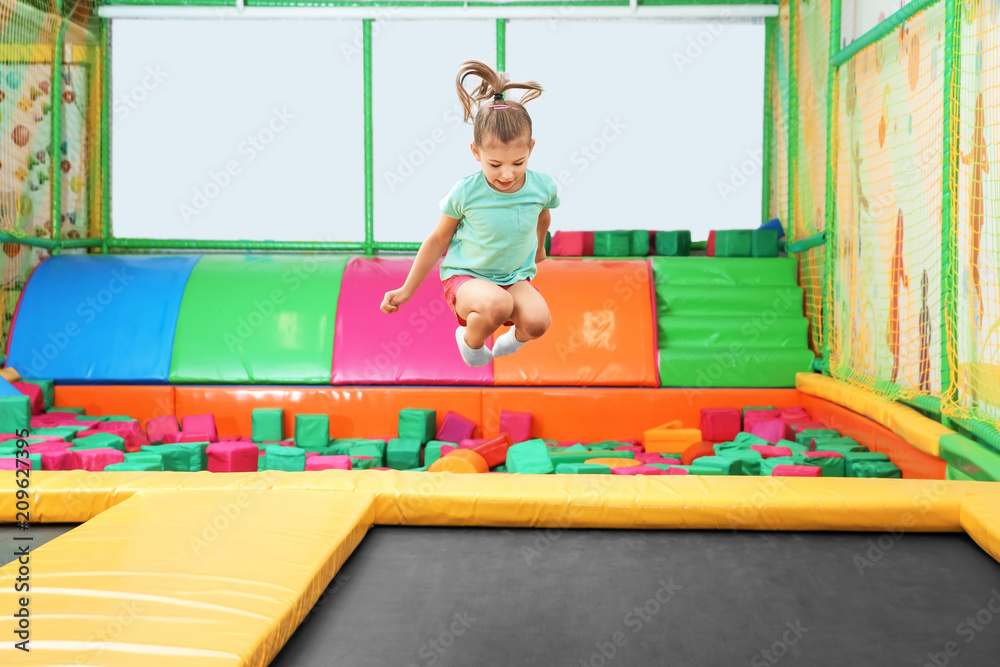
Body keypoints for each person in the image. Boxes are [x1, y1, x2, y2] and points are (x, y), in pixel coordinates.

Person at [380, 60, 560, 367]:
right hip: (467, 280)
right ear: (476, 152)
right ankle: (470, 340)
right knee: (499, 304)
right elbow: (437, 240)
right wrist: (407, 289)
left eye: (518, 163)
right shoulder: (467, 192)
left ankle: (510, 341)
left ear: (530, 148)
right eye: (494, 164)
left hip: (514, 277)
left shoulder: (542, 186)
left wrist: (540, 245)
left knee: (538, 322)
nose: (507, 174)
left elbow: (543, 215)